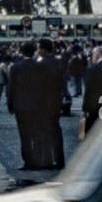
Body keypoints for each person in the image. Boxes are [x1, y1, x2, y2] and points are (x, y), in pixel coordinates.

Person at [7, 42, 44, 171]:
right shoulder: (39, 67)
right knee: (37, 133)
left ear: (22, 52)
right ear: (34, 51)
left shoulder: (15, 68)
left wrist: (10, 105)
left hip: (21, 106)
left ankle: (27, 161)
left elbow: (11, 88)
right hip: (37, 106)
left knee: (24, 135)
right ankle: (38, 160)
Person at [35, 39, 66, 169]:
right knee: (56, 130)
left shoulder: (41, 64)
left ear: (42, 49)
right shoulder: (58, 62)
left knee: (44, 131)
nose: (37, 50)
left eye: (38, 48)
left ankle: (46, 160)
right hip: (56, 101)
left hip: (44, 102)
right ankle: (59, 159)